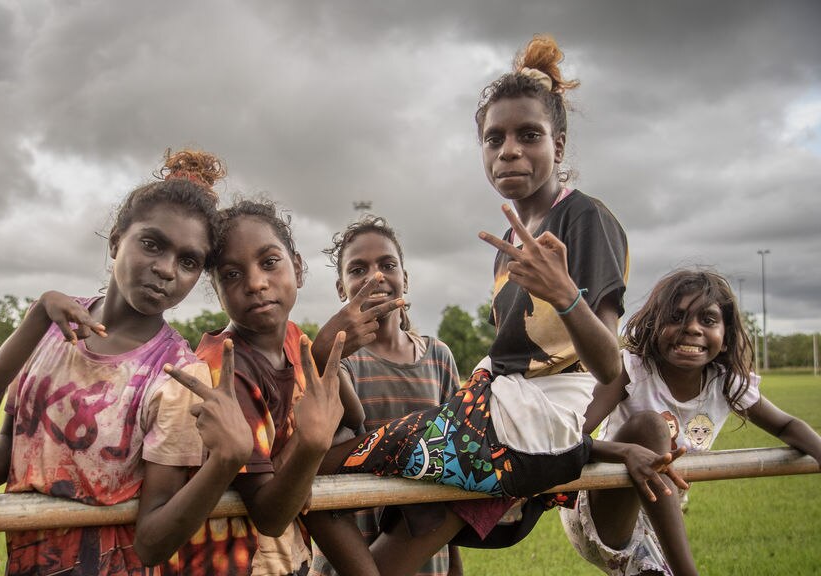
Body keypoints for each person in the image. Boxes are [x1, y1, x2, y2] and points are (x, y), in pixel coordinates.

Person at [306, 34, 629, 576]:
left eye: (530, 135)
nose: (509, 150)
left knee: (311, 469)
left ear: (561, 145)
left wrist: (566, 295)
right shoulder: (513, 246)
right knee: (378, 536)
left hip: (526, 425)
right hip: (496, 414)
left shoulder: (583, 220)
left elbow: (609, 366)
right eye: (493, 138)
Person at [0, 150, 254, 576]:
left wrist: (224, 463)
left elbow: (152, 541)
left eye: (188, 262)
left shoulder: (177, 375)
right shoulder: (55, 328)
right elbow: (10, 445)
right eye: (152, 244)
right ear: (114, 241)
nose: (166, 270)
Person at [561, 269, 821, 576]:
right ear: (653, 327)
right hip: (603, 511)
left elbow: (786, 425)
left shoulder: (726, 383)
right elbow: (567, 439)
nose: (691, 329)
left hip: (661, 519)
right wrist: (625, 452)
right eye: (676, 317)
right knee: (652, 427)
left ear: (725, 338)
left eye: (708, 320)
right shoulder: (630, 370)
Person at [163, 198, 354, 576]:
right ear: (215, 289)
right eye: (232, 274)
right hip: (236, 562)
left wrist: (330, 352)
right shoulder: (224, 367)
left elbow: (351, 423)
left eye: (269, 263)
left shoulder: (295, 341)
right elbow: (269, 514)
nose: (255, 283)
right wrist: (312, 442)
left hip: (288, 557)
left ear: (297, 267)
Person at [308, 215, 463, 576]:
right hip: (346, 560)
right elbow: (342, 436)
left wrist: (454, 565)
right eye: (358, 269)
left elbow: (456, 468)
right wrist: (329, 355)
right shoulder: (339, 360)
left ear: (404, 278)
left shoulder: (438, 357)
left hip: (428, 559)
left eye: (387, 265)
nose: (375, 277)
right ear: (340, 287)